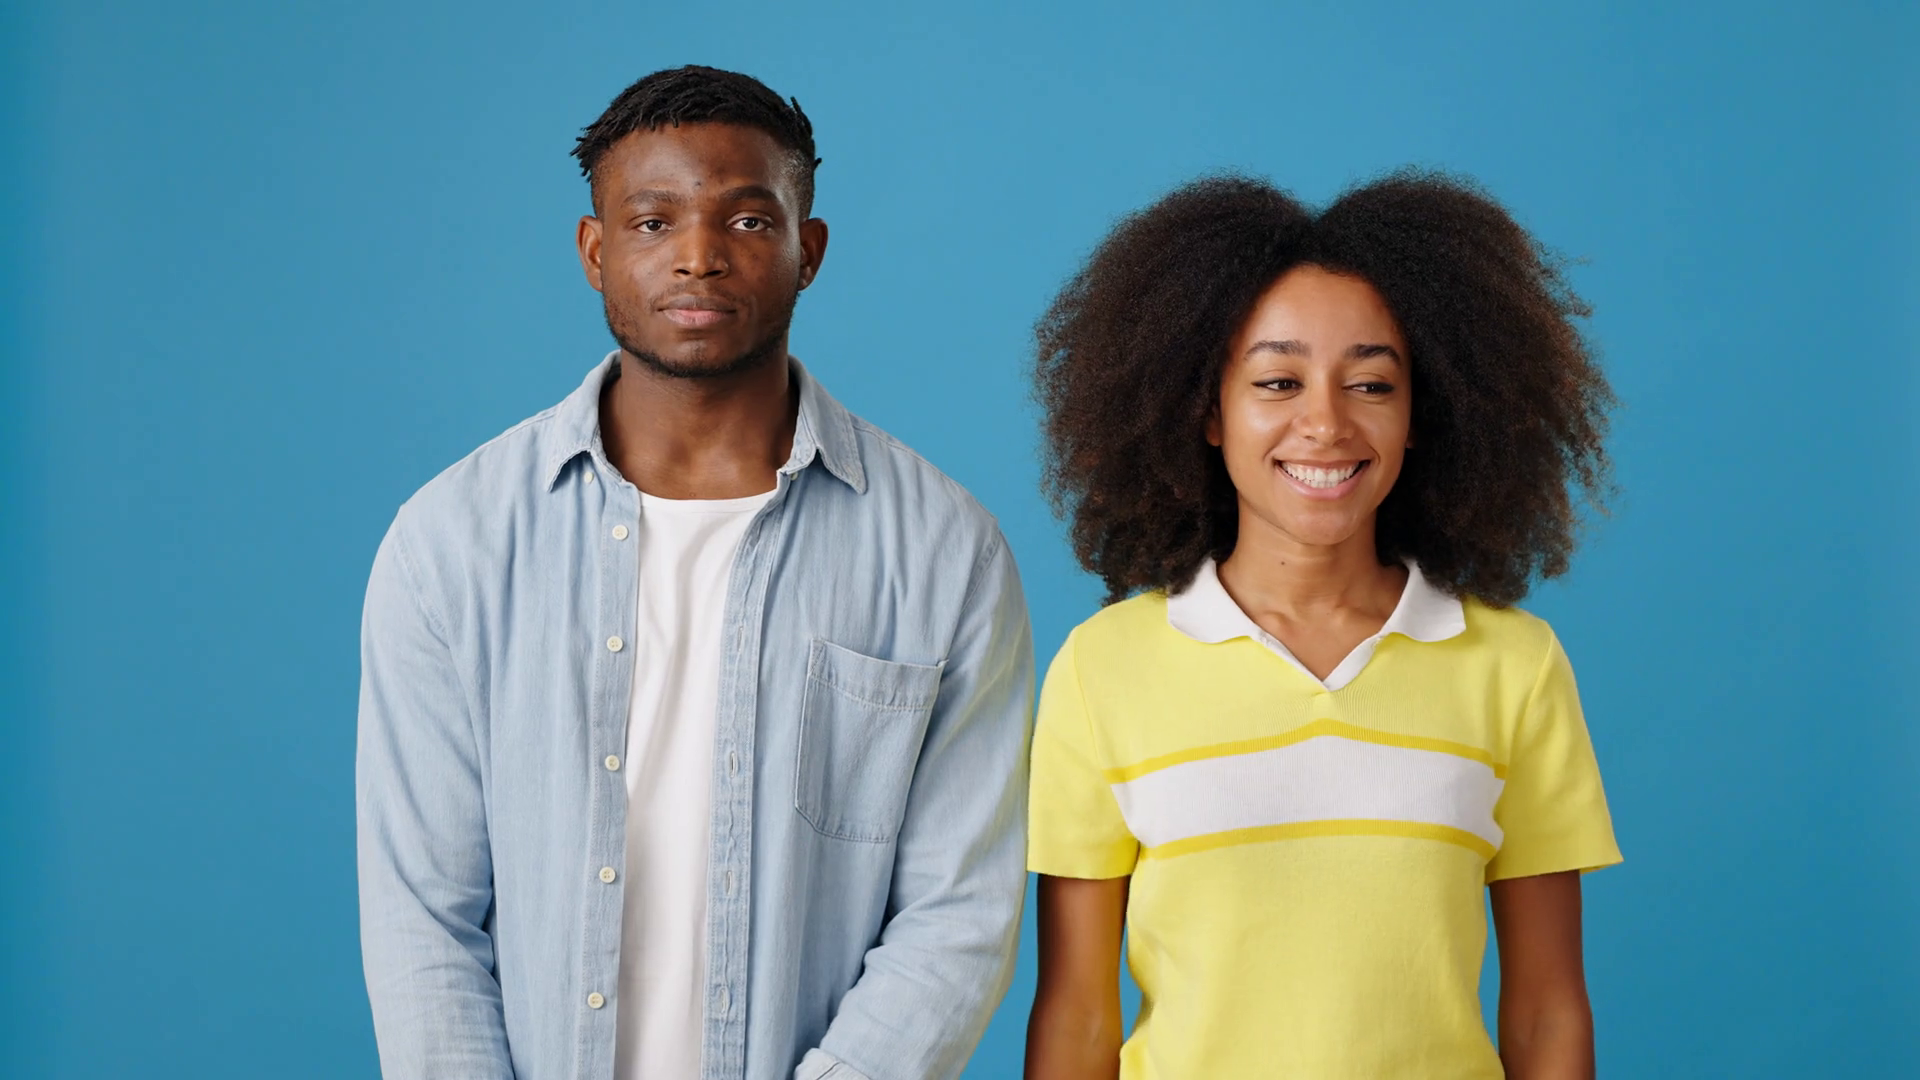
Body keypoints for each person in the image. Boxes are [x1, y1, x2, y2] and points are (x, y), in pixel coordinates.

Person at [357, 65, 1033, 1080]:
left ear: (810, 251)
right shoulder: (450, 542)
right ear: (595, 252)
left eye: (749, 223)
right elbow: (423, 917)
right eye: (652, 221)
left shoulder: (943, 552)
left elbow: (959, 914)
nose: (700, 257)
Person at [1022, 173, 1622, 1079]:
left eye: (1372, 383)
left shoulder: (1513, 666)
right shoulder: (1103, 670)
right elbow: (1074, 1018)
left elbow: (1545, 1013)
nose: (1326, 423)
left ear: (1424, 412)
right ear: (1206, 412)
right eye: (1277, 380)